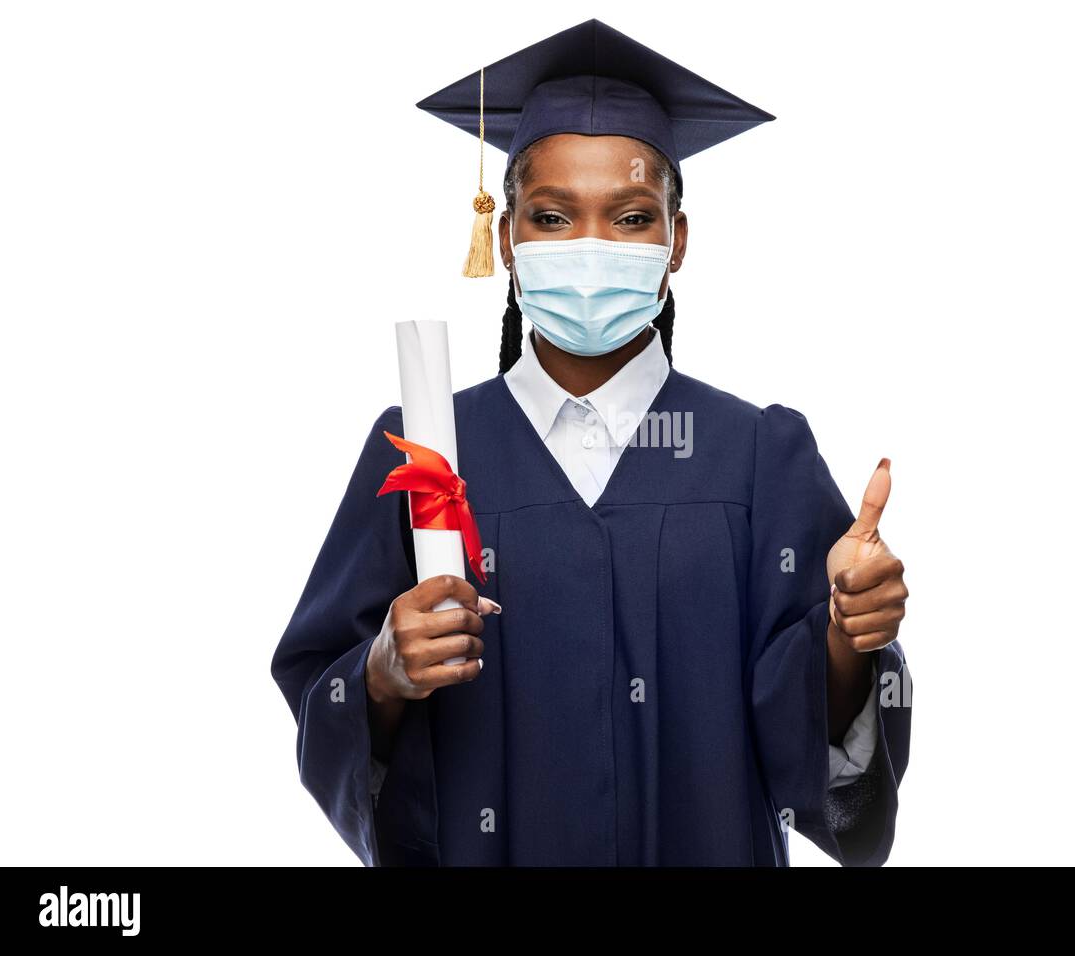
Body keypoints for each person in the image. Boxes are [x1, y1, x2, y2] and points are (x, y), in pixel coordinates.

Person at [270, 18, 912, 867]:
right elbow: (327, 683)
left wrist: (846, 634)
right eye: (551, 215)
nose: (591, 248)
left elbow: (815, 748)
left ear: (676, 241)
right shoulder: (422, 452)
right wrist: (385, 671)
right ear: (504, 238)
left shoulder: (759, 454)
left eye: (633, 216)